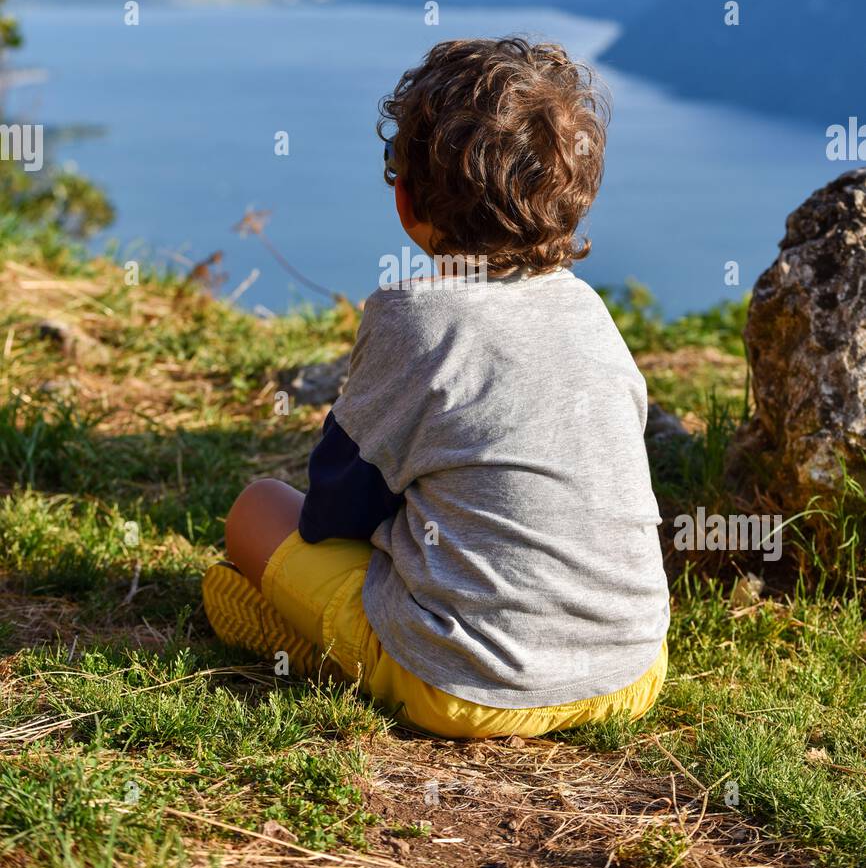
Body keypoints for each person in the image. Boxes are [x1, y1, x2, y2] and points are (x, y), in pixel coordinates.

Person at [203, 37, 669, 739]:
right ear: (574, 200)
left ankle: (329, 650)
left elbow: (332, 512)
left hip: (471, 688)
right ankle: (342, 642)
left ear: (407, 197)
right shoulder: (588, 313)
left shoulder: (413, 319)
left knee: (256, 510)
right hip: (633, 671)